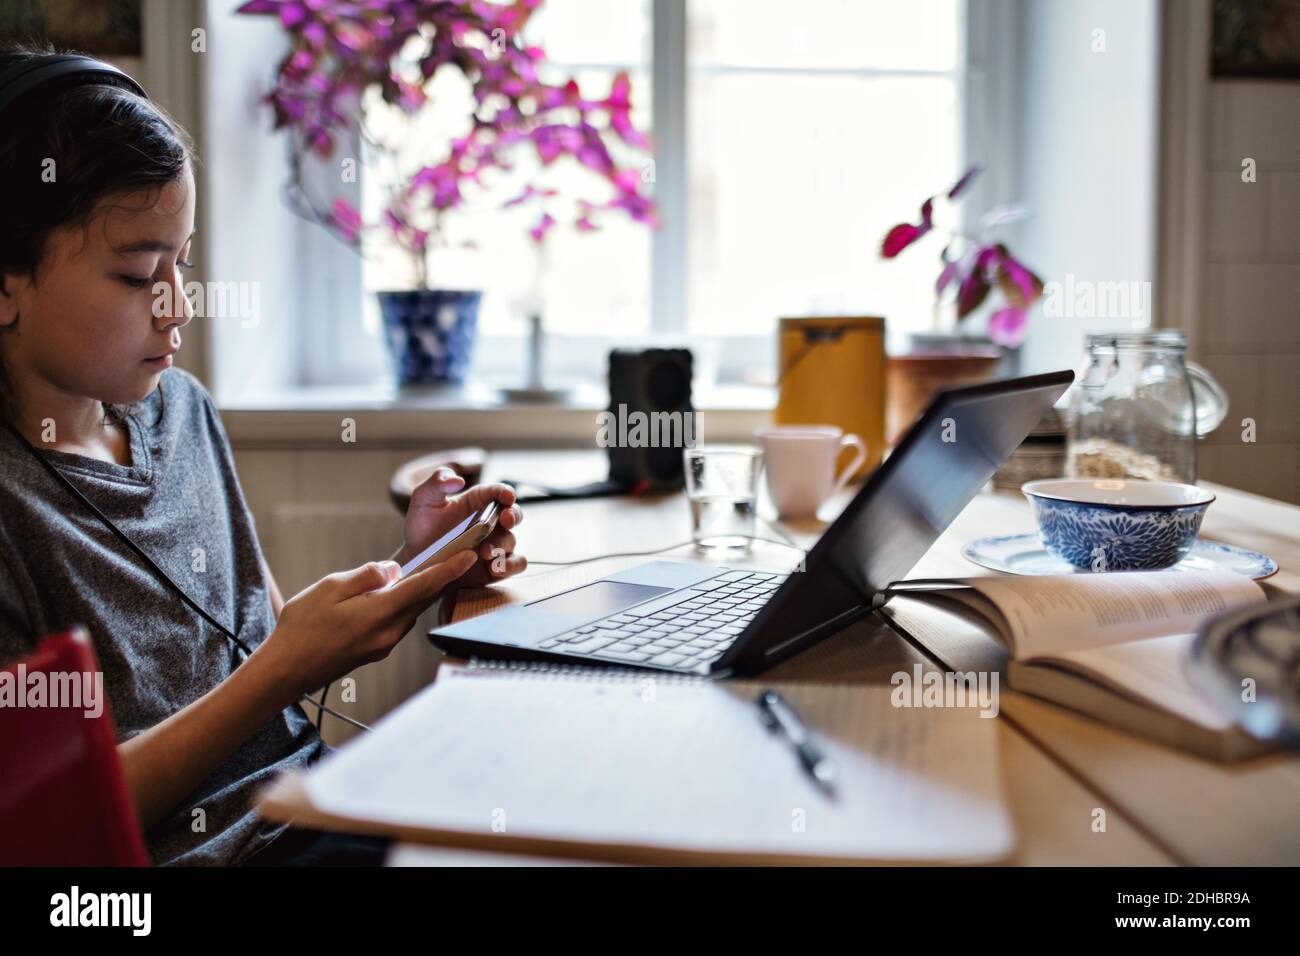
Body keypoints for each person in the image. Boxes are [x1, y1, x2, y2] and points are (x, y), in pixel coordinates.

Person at [0, 40, 527, 866]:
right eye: (139, 276)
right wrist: (281, 670)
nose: (178, 306)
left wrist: (417, 566)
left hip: (314, 804)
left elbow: (261, 651)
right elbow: (48, 834)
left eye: (185, 261)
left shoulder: (183, 411)